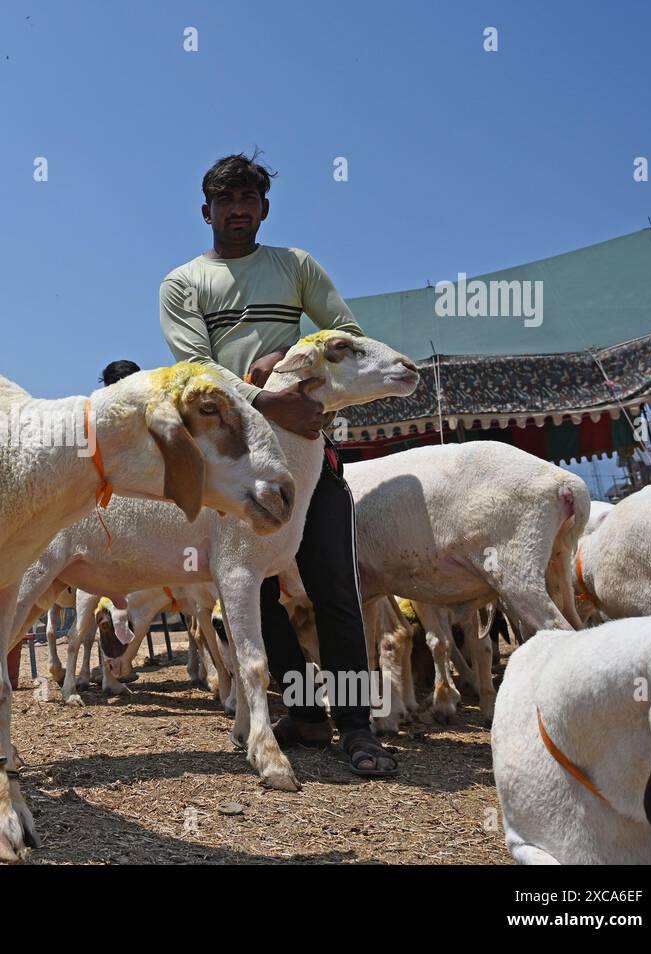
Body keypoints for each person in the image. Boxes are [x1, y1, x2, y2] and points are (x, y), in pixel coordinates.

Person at [158, 152, 398, 778]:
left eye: (249, 200)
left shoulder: (295, 267)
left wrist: (286, 358)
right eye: (226, 200)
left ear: (264, 208)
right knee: (254, 594)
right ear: (204, 209)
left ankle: (357, 727)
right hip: (235, 460)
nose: (238, 210)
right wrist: (264, 397)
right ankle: (305, 712)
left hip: (309, 456)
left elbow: (344, 333)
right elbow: (195, 372)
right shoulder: (183, 284)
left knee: (334, 591)